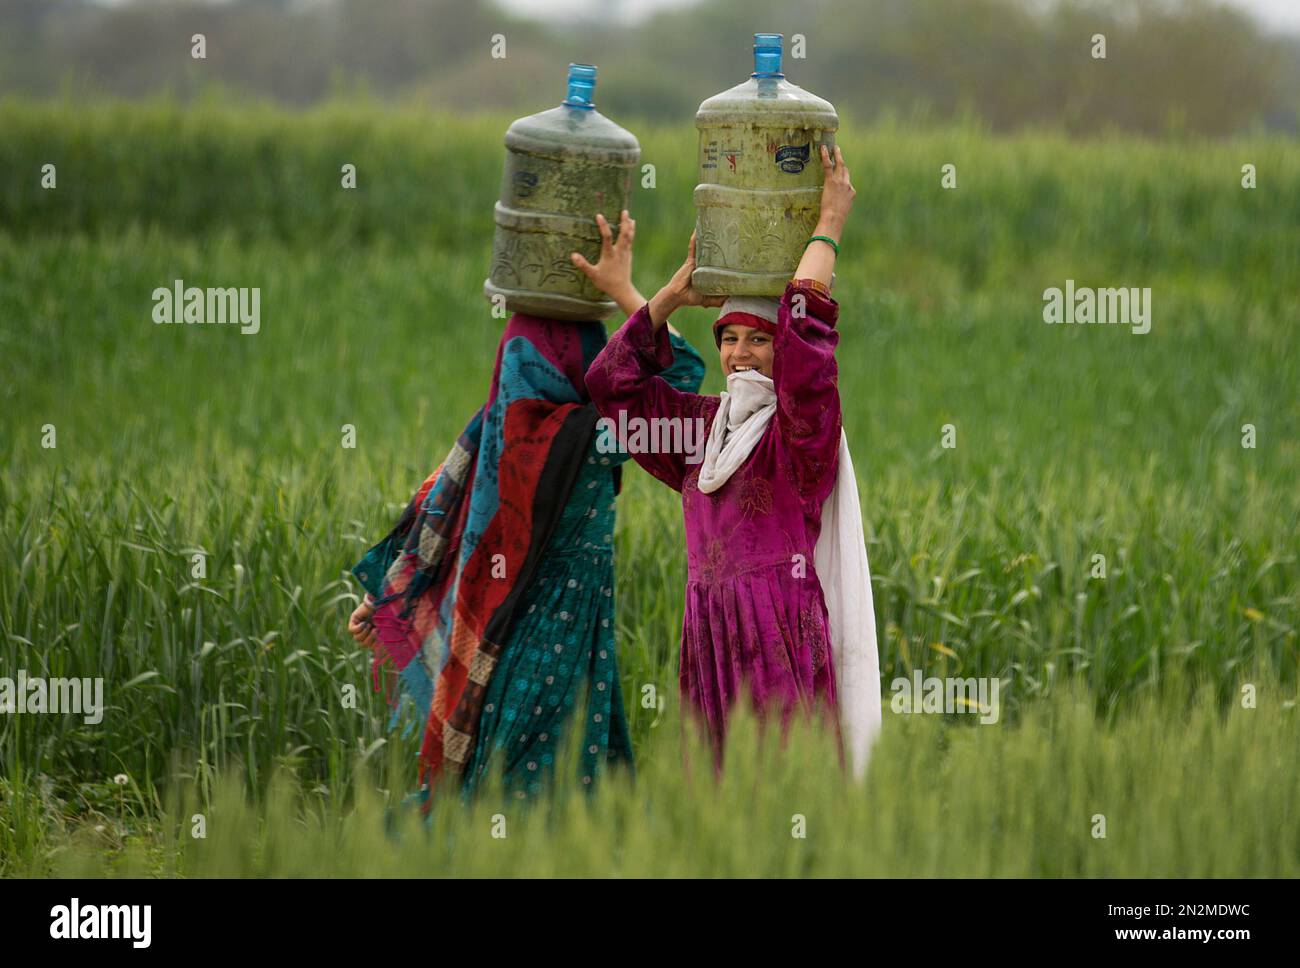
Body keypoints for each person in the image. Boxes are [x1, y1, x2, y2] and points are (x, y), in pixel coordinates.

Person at [346, 210, 706, 806]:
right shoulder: (580, 436)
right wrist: (640, 295)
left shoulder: (559, 430)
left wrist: (624, 289)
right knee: (530, 778)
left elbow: (445, 496)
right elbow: (682, 381)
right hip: (536, 616)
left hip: (552, 612)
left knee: (550, 774)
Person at [585, 146, 881, 777]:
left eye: (758, 338)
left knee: (783, 795)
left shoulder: (800, 435)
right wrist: (667, 296)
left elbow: (809, 346)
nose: (742, 354)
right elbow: (612, 387)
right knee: (716, 810)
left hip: (778, 633)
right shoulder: (699, 434)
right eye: (729, 338)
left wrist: (828, 223)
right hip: (709, 639)